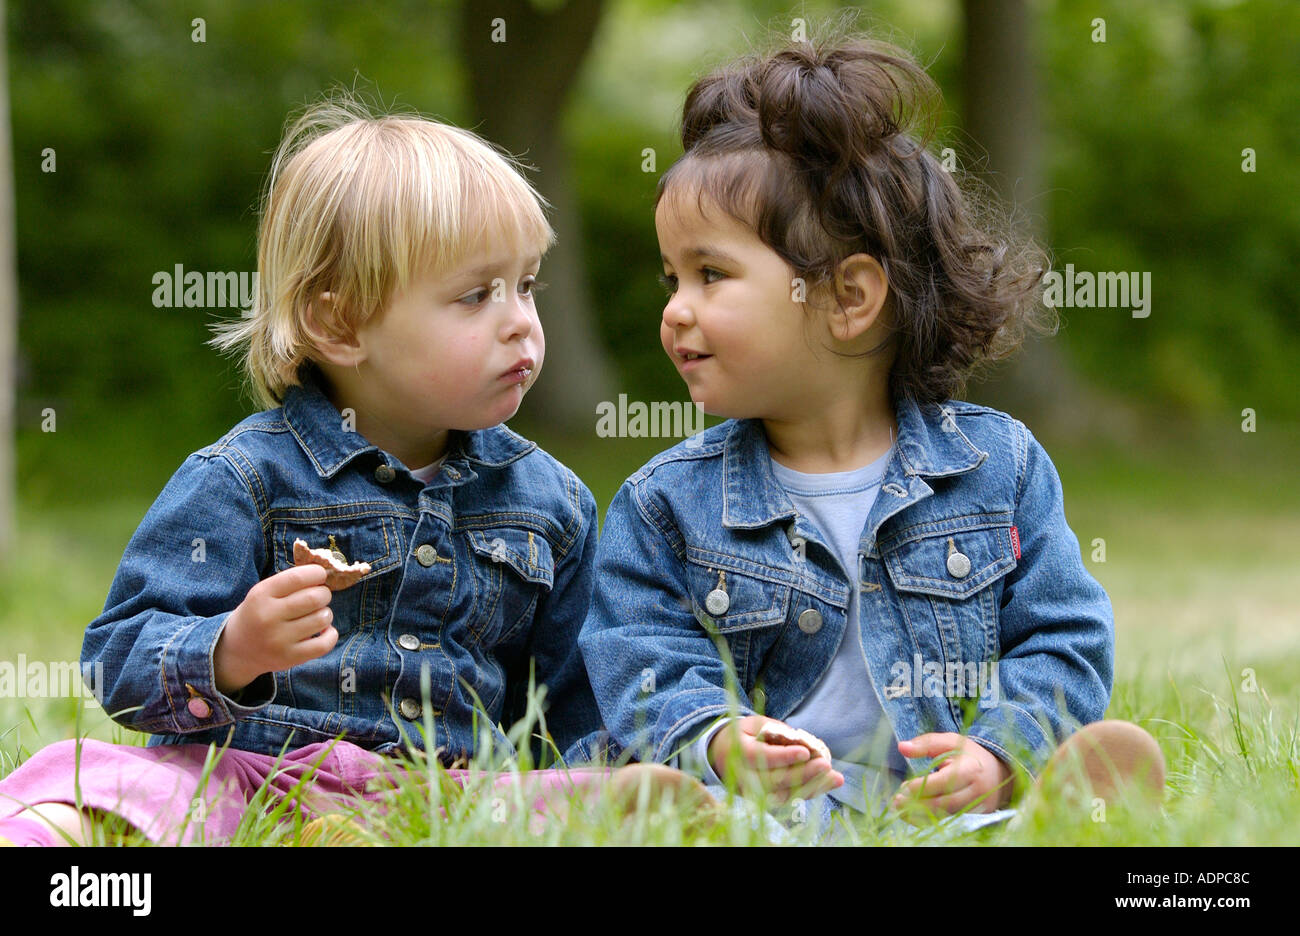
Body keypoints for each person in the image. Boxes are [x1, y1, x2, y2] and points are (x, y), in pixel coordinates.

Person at [0, 96, 672, 847]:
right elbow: (117, 659)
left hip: (452, 803)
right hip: (261, 782)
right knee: (102, 781)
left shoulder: (553, 504)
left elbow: (572, 709)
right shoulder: (244, 479)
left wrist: (599, 783)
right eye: (477, 294)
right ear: (339, 325)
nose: (520, 320)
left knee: (645, 791)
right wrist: (230, 650)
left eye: (528, 285)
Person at [578, 26, 1165, 842]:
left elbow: (1061, 638)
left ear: (851, 298)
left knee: (996, 818)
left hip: (935, 803)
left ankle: (1046, 800)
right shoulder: (665, 502)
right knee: (686, 808)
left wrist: (998, 752)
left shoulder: (998, 470)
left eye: (711, 274)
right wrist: (715, 738)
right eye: (672, 277)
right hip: (761, 808)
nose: (676, 308)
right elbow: (636, 654)